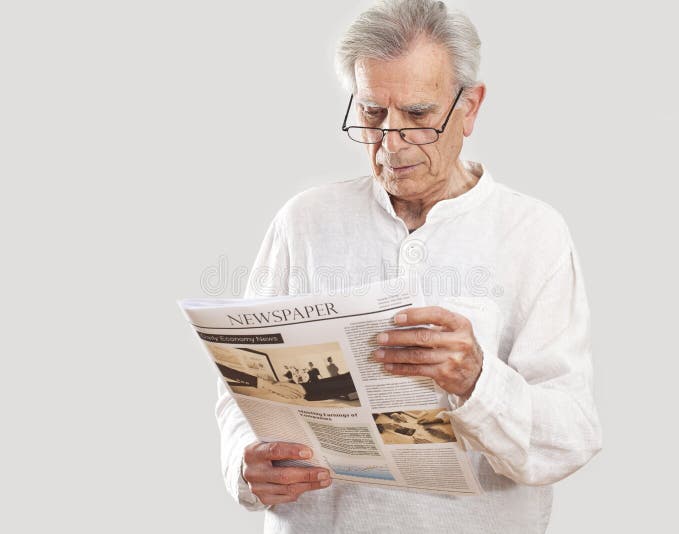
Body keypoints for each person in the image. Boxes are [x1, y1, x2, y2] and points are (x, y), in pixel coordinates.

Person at [214, 1, 602, 532]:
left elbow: (571, 437)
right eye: (373, 114)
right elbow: (242, 389)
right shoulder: (304, 220)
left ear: (470, 107)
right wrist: (245, 463)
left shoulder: (532, 234)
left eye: (418, 115)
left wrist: (477, 380)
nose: (391, 144)